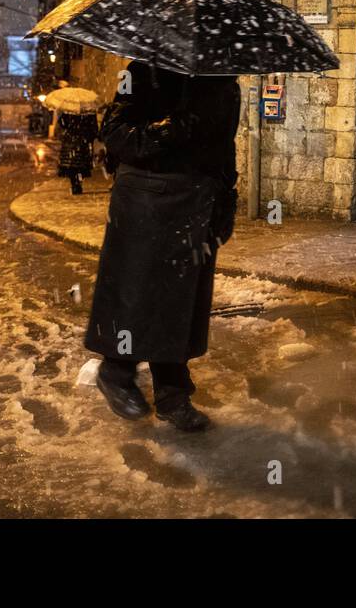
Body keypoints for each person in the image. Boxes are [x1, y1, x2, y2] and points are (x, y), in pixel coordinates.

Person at [85, 61, 240, 432]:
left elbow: (222, 144)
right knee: (139, 293)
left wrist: (227, 196)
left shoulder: (223, 81)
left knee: (180, 302)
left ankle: (172, 395)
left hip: (198, 203)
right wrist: (169, 130)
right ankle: (116, 370)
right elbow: (116, 132)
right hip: (148, 203)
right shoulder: (141, 73)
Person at [56, 107, 98, 195]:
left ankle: (75, 183)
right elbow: (94, 129)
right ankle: (78, 183)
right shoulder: (89, 112)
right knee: (80, 165)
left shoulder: (68, 111)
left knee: (71, 165)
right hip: (82, 141)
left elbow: (62, 123)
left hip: (70, 141)